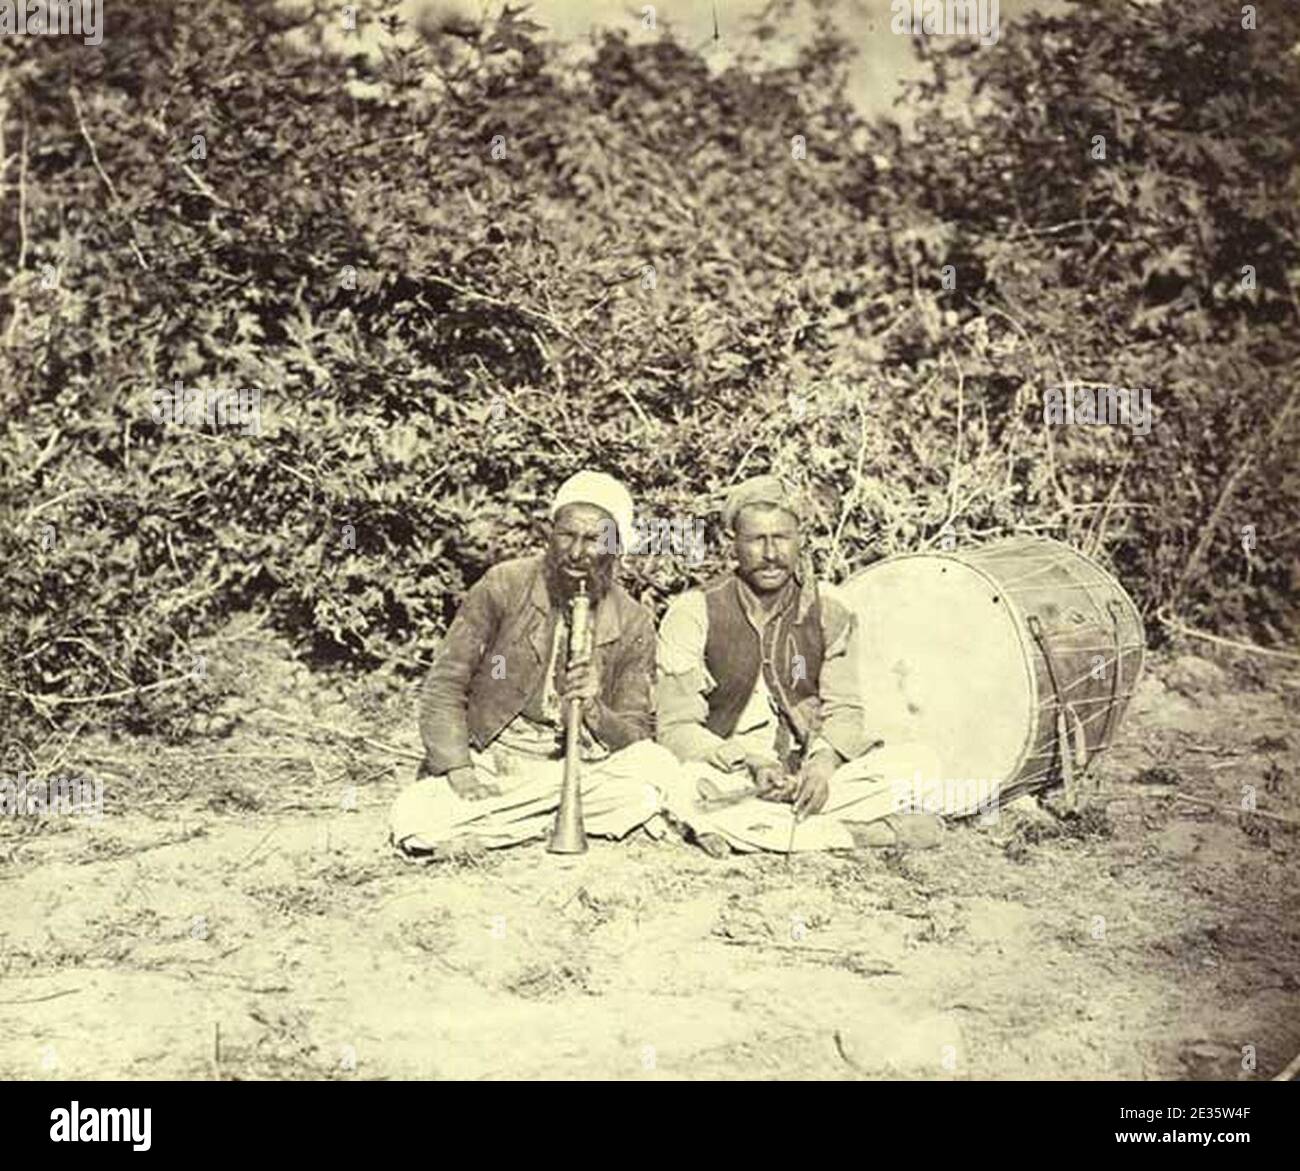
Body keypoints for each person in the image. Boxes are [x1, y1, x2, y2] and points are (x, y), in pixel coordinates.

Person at [390, 471, 675, 858]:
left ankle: (501, 826)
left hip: (578, 767)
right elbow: (446, 683)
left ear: (615, 547)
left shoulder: (633, 619)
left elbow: (635, 733)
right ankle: (537, 819)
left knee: (652, 773)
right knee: (414, 815)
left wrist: (593, 707)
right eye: (566, 535)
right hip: (492, 760)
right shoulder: (504, 584)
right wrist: (459, 770)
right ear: (550, 533)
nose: (576, 553)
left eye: (593, 540)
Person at [655, 475, 941, 855]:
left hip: (804, 767)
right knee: (673, 782)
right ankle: (862, 834)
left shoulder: (829, 608)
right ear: (732, 544)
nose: (771, 553)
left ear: (800, 538)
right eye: (757, 540)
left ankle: (753, 830)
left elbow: (845, 709)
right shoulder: (693, 612)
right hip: (730, 769)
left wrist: (821, 767)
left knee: (920, 764)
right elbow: (675, 728)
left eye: (782, 537)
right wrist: (749, 761)